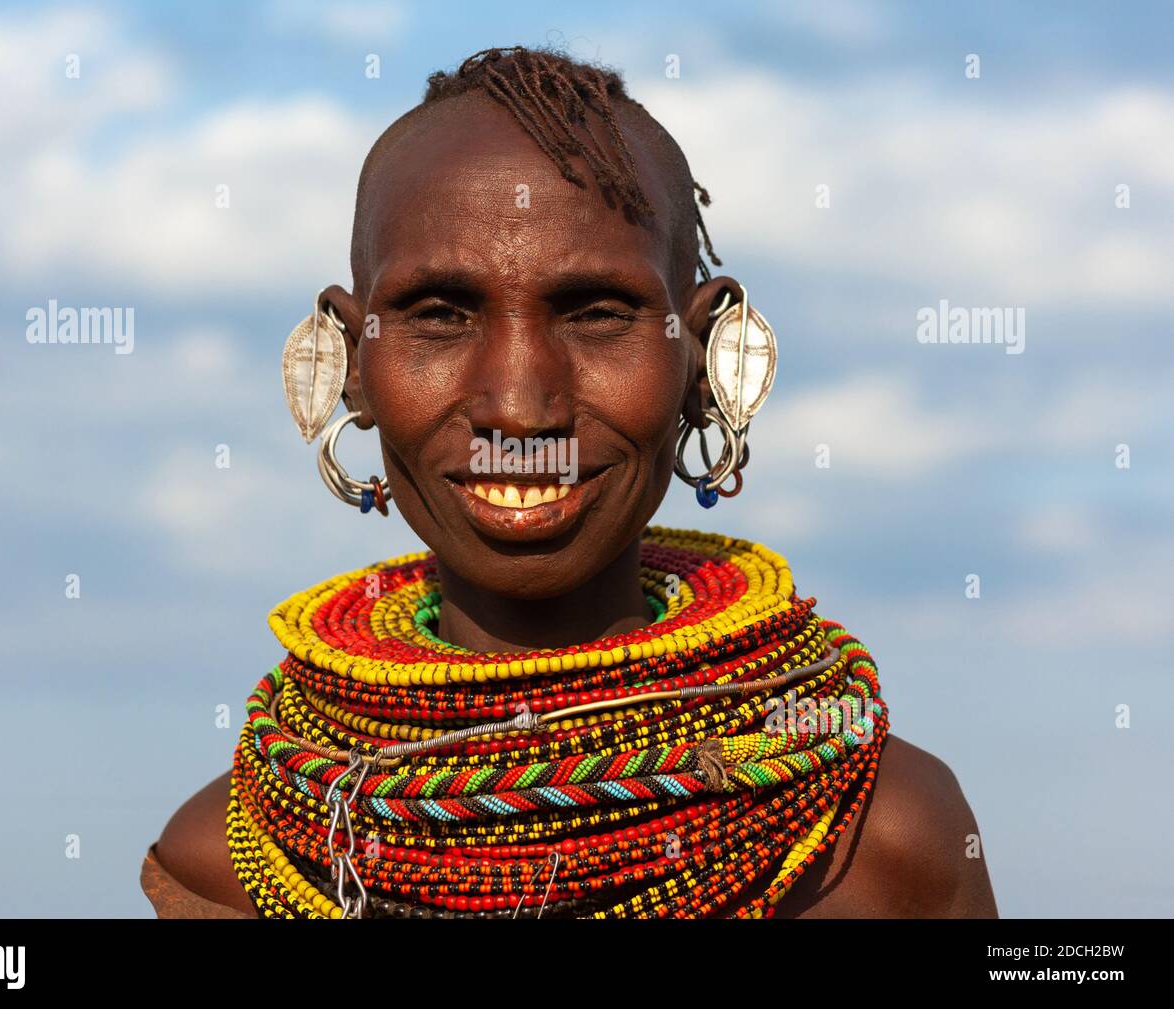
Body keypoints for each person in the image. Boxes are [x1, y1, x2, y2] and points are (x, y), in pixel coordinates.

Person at [142, 46, 996, 919]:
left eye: (597, 314)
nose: (518, 406)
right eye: (439, 314)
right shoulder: (236, 859)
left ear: (705, 360)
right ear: (350, 363)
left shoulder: (882, 840)